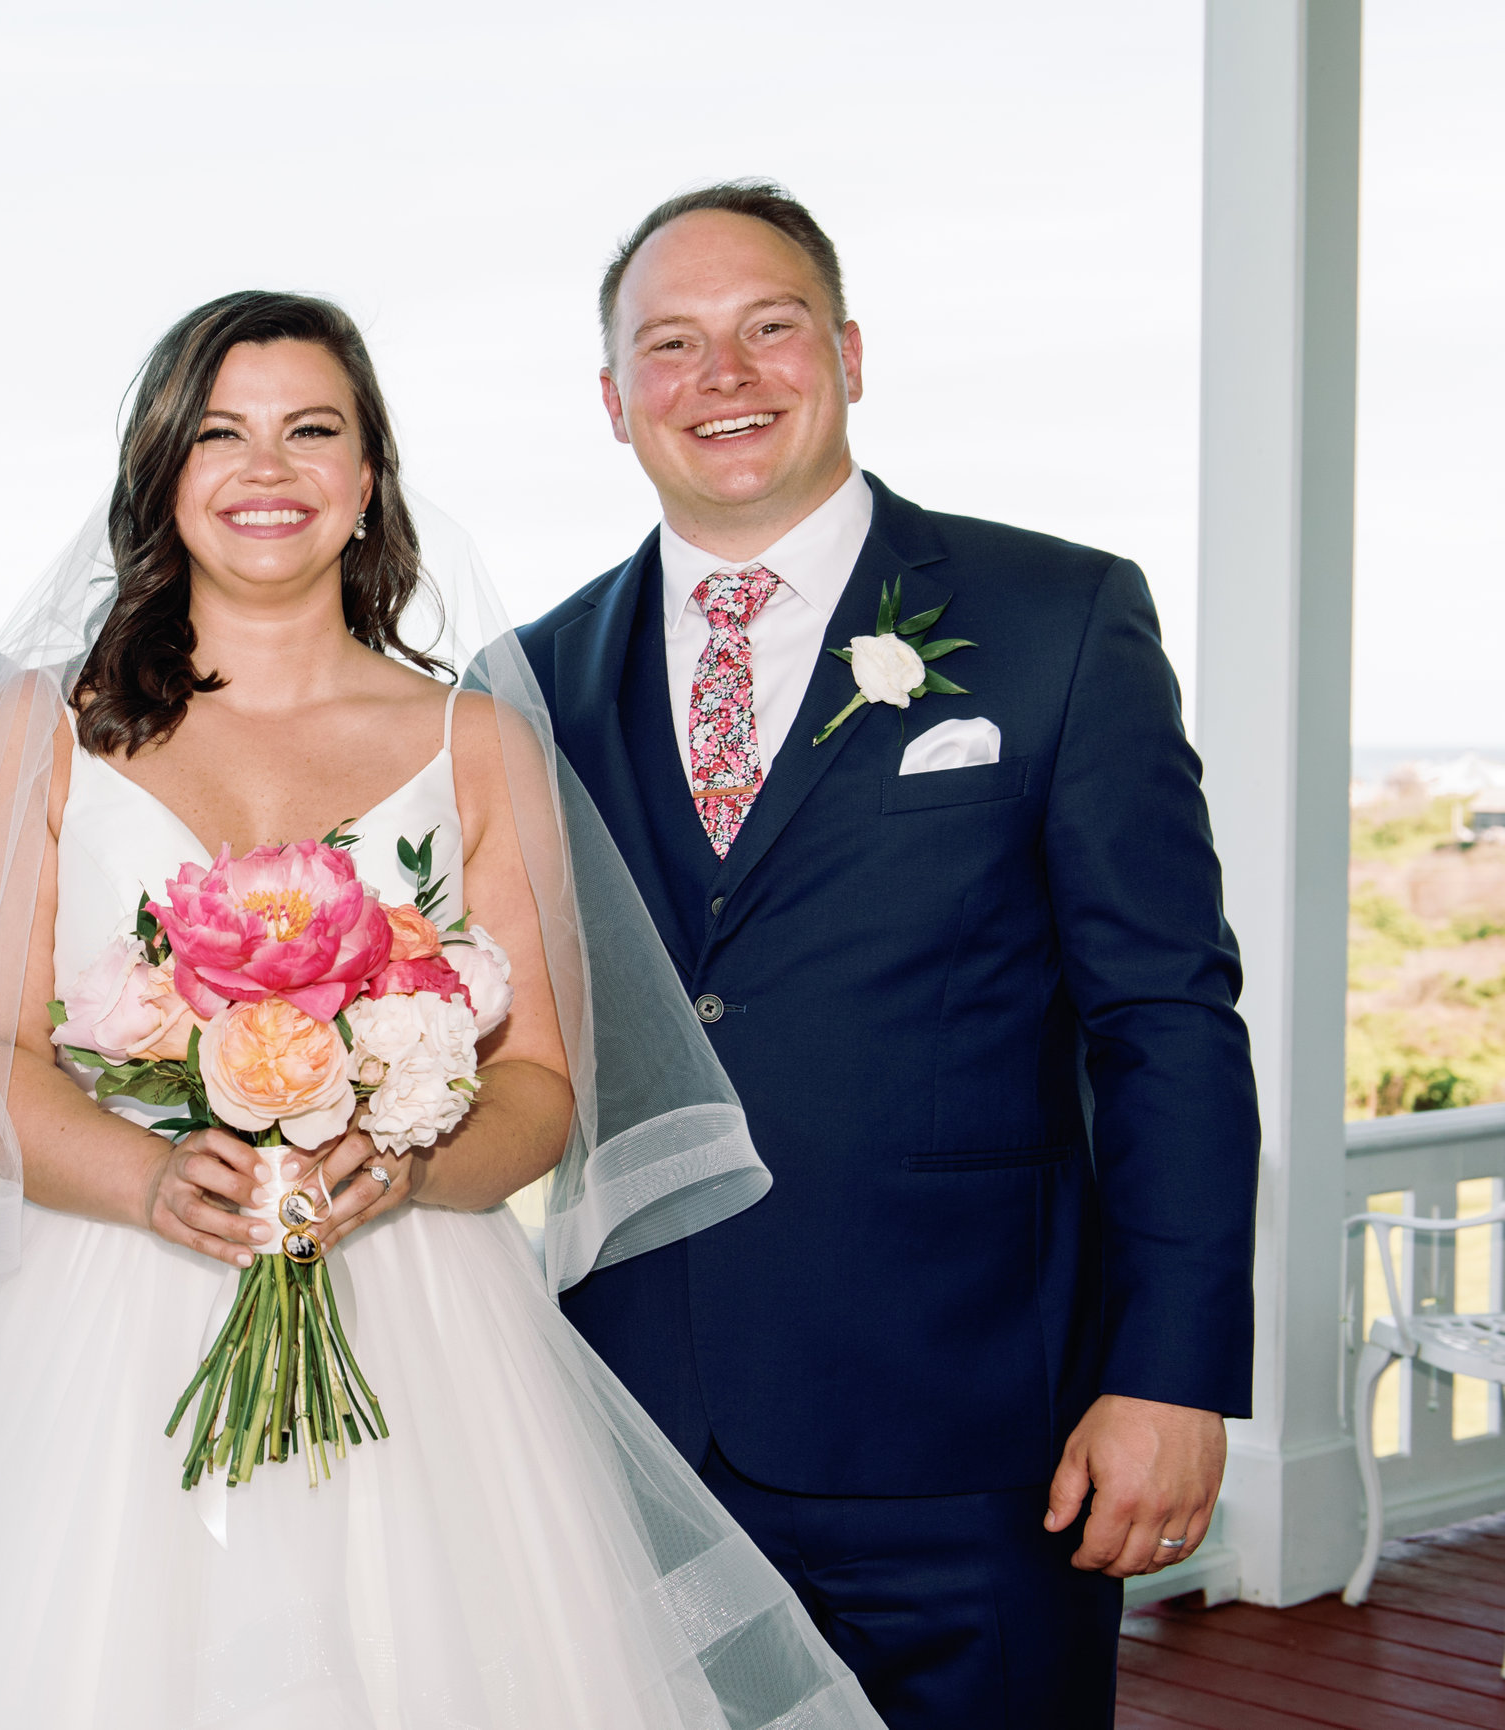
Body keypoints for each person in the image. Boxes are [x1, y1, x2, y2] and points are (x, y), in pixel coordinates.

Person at [0, 292, 884, 1730]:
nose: (268, 469)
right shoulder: (39, 725)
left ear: (370, 474)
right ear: (162, 472)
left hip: (416, 1322)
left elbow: (539, 1082)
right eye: (222, 433)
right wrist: (151, 1179)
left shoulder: (477, 741)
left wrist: (413, 1166)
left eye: (312, 430)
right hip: (95, 1328)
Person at [516, 181, 1261, 1728]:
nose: (723, 376)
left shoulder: (1059, 618)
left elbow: (1167, 1019)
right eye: (671, 343)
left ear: (848, 353)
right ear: (613, 397)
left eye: (768, 326)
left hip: (978, 1443)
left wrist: (1175, 1372)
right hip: (637, 1444)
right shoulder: (528, 682)